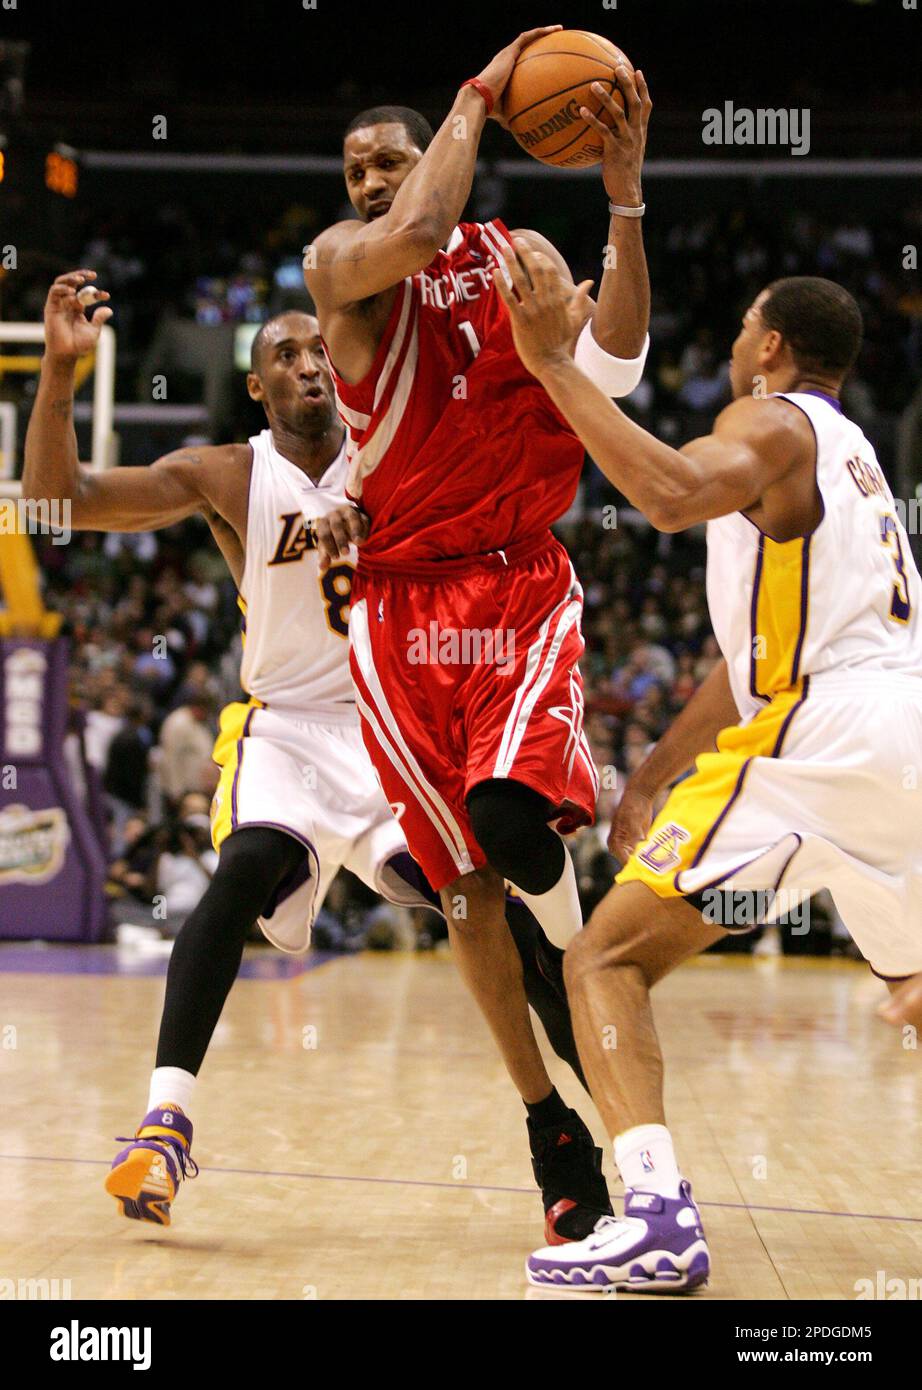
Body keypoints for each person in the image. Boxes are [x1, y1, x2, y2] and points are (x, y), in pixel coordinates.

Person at [23, 273, 586, 1229]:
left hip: (394, 725)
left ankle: (599, 1126)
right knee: (240, 873)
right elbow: (54, 504)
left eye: (319, 349)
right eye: (283, 354)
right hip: (286, 727)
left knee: (480, 904)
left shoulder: (397, 456)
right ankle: (164, 1126)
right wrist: (60, 373)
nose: (308, 364)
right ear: (257, 388)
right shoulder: (233, 475)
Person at [493, 246, 922, 1290]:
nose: (733, 343)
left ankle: (653, 1214)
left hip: (831, 733)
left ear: (770, 344)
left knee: (605, 960)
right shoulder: (851, 453)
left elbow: (672, 494)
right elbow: (747, 663)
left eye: (741, 326)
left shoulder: (766, 423)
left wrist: (553, 364)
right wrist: (650, 778)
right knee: (913, 985)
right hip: (895, 725)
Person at [306, 27, 652, 1243]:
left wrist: (621, 202)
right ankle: (547, 1119)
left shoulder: (517, 252)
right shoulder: (344, 262)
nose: (366, 178)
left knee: (510, 831)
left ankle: (575, 951)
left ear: (437, 156)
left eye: (385, 156)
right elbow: (408, 235)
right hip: (398, 610)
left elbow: (616, 362)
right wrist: (470, 91)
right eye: (351, 164)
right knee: (459, 891)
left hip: (514, 586)